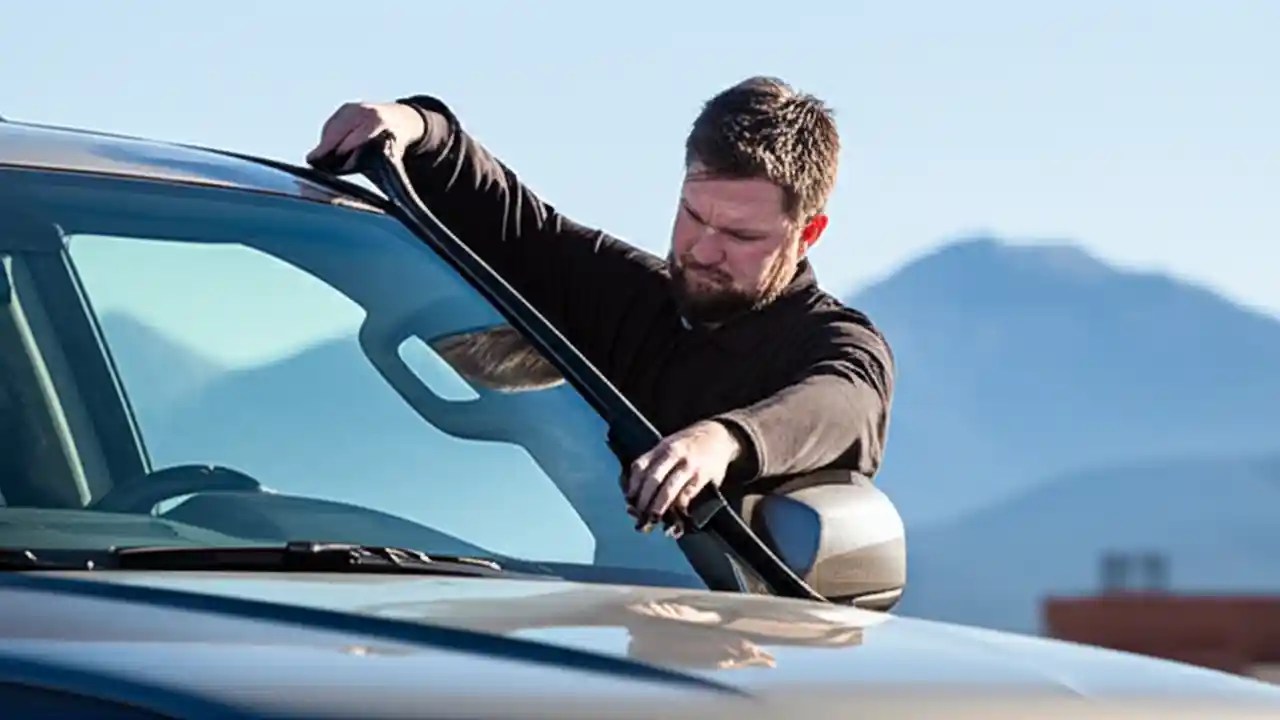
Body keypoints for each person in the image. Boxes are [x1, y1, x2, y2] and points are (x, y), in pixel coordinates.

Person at [306, 76, 894, 533]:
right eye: (693, 215)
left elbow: (841, 405)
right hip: (612, 620)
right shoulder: (639, 299)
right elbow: (524, 232)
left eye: (741, 237)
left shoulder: (835, 346)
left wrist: (722, 441)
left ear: (808, 233)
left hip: (756, 650)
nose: (704, 249)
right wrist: (418, 126)